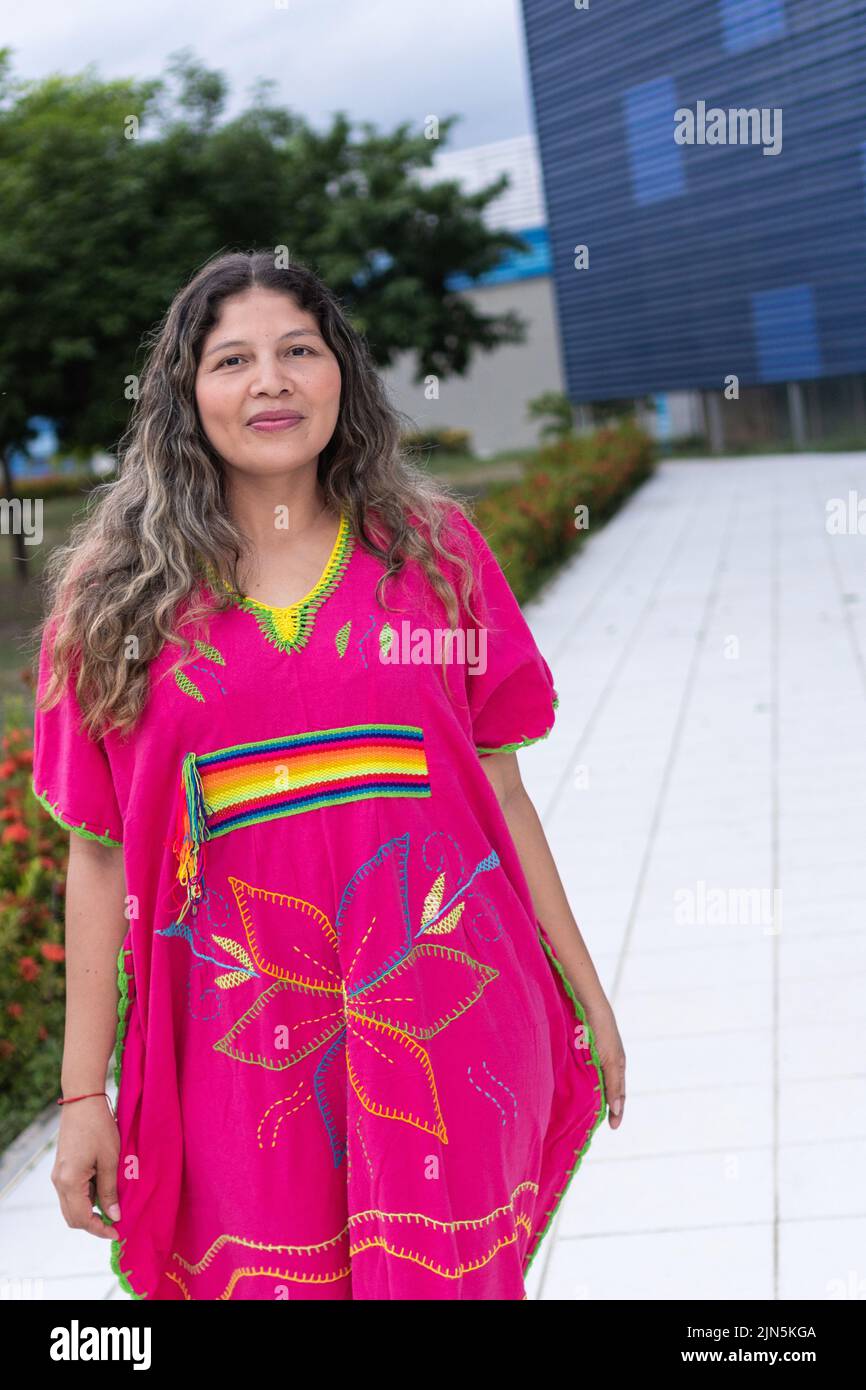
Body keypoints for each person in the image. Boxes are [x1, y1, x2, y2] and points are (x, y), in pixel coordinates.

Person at [30, 249, 626, 1301]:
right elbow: (97, 849)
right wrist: (86, 1091)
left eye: (297, 350)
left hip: (449, 1020)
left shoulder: (434, 556)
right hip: (236, 1050)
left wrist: (584, 990)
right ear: (183, 394)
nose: (270, 380)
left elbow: (502, 789)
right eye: (232, 359)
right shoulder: (114, 600)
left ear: (339, 374)